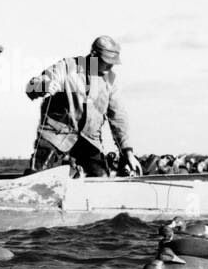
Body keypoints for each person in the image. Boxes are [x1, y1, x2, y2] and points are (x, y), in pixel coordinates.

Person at [25, 36, 139, 176]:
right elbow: (32, 86)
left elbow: (119, 117)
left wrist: (128, 152)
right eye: (107, 62)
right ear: (94, 56)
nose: (110, 66)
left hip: (88, 140)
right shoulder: (68, 66)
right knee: (38, 175)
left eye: (113, 63)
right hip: (56, 135)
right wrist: (44, 85)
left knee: (102, 178)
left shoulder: (110, 81)